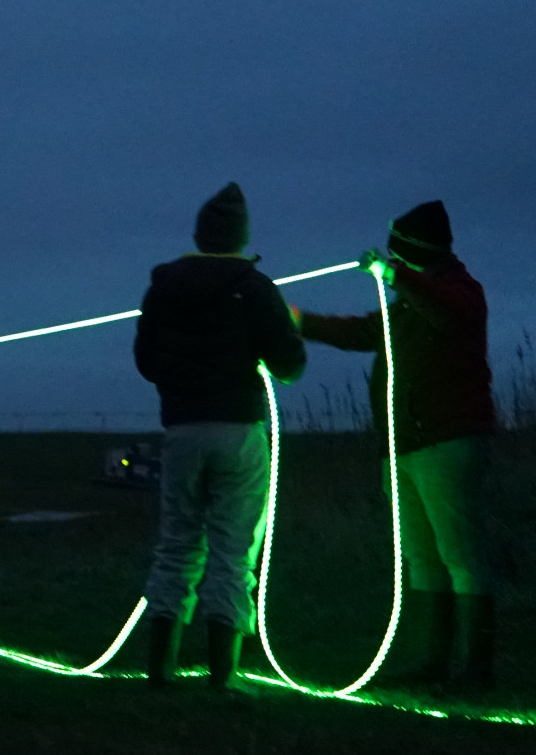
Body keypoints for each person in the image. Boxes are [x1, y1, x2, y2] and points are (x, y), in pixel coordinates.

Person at [294, 200, 498, 692]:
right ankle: (432, 662)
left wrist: (394, 275)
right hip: (403, 445)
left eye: (399, 252)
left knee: (460, 554)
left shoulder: (460, 292)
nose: (392, 258)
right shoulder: (409, 301)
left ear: (419, 250)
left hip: (447, 441)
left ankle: (475, 669)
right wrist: (298, 321)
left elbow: (448, 314)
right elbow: (364, 331)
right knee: (423, 557)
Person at [134, 183, 306, 690]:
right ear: (240, 237)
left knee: (177, 544)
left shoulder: (162, 288)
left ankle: (159, 671)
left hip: (182, 429)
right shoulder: (254, 287)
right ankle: (222, 676)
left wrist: (182, 380)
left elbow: (146, 360)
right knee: (233, 550)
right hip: (238, 430)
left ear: (199, 235)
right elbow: (290, 365)